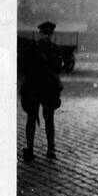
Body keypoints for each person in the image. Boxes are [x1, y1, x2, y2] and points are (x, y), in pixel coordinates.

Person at [19, 20, 63, 162]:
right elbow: (58, 68)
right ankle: (51, 149)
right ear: (52, 34)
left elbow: (23, 66)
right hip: (49, 88)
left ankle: (30, 149)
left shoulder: (32, 47)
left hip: (33, 86)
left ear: (40, 33)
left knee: (31, 117)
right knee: (49, 118)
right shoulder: (56, 49)